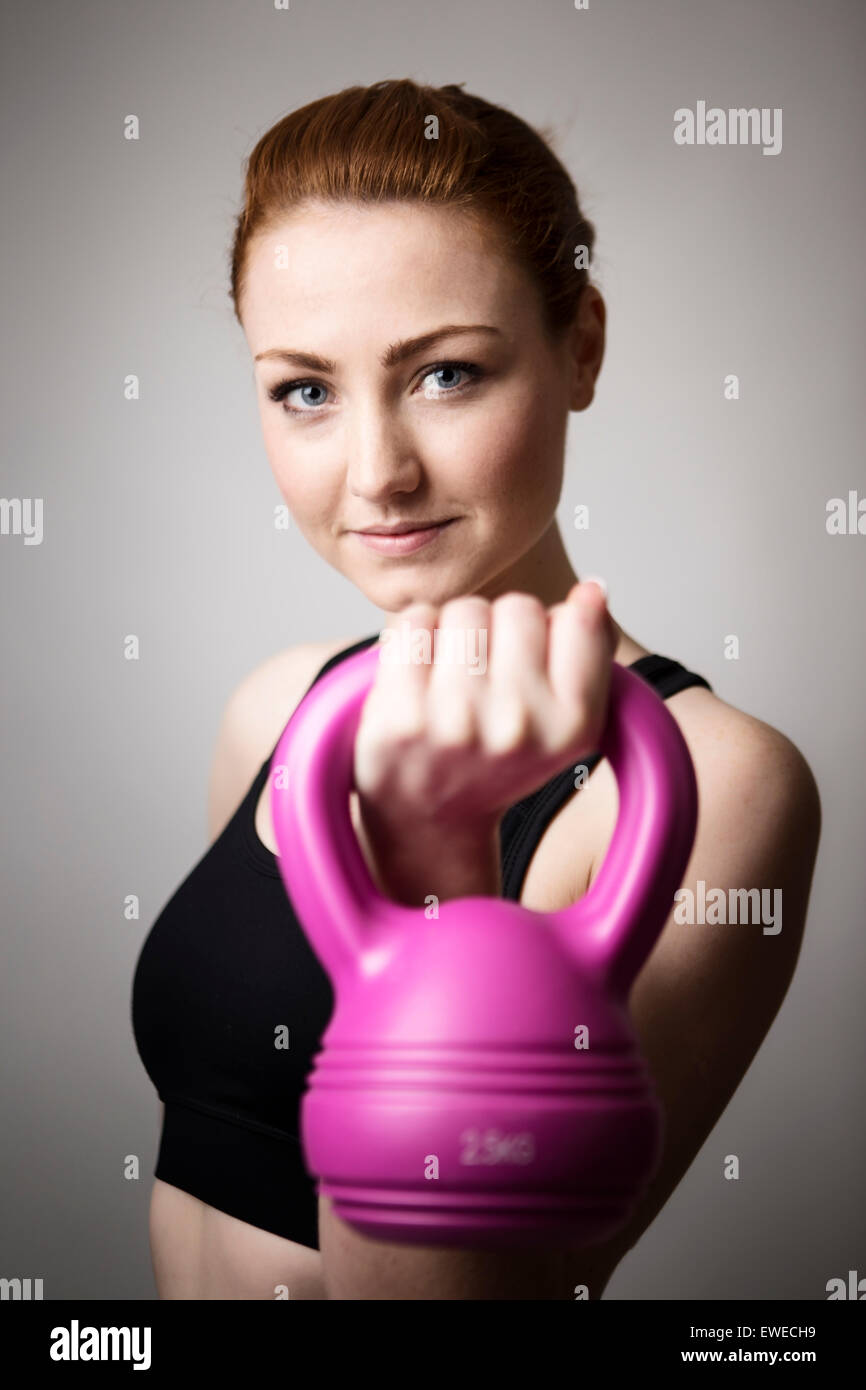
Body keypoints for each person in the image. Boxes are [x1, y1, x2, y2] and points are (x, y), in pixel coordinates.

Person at [131, 78, 821, 1300]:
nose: (378, 472)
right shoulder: (277, 710)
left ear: (581, 348)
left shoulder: (714, 788)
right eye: (304, 389)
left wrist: (437, 863)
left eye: (444, 374)